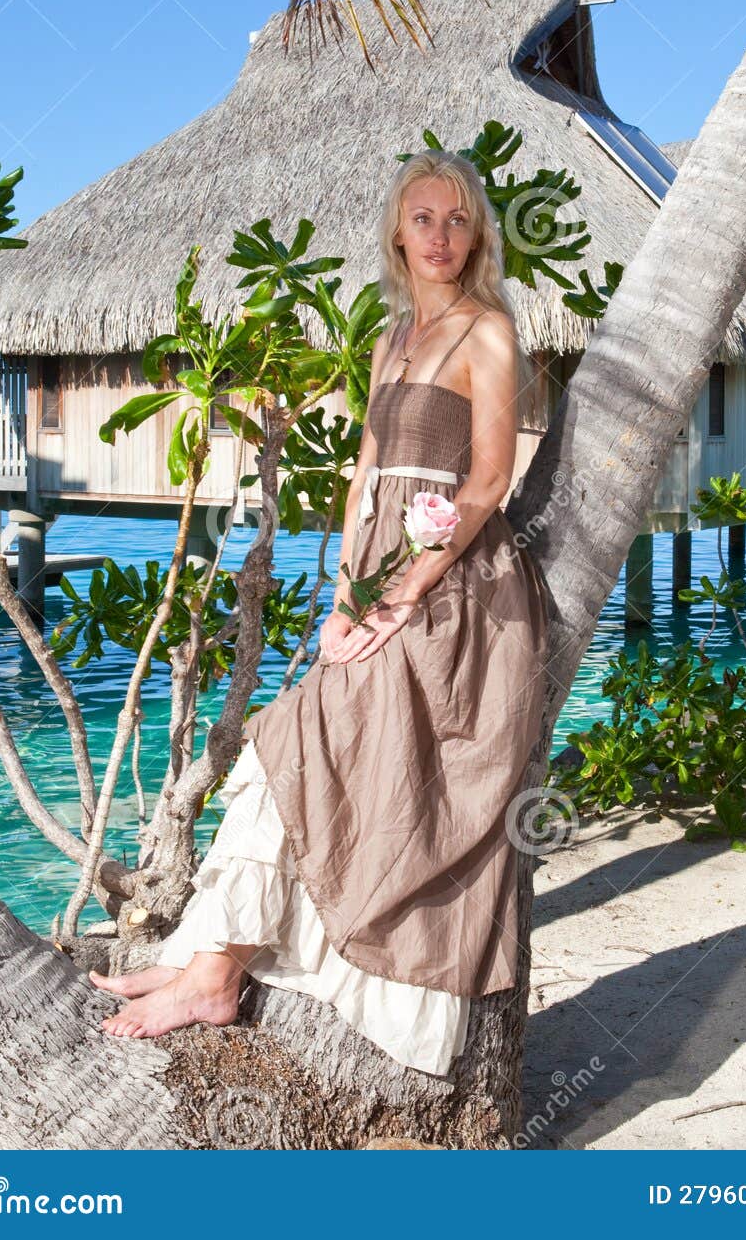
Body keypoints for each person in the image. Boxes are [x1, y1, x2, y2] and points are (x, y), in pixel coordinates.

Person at [90, 151, 556, 1078]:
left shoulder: (486, 331)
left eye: (457, 220)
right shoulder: (390, 339)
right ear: (396, 231)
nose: (439, 237)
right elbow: (364, 478)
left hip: (454, 585)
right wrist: (347, 593)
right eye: (421, 219)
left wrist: (404, 592)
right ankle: (206, 958)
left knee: (300, 730)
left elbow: (490, 478)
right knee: (293, 742)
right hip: (380, 568)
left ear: (478, 235)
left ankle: (212, 971)